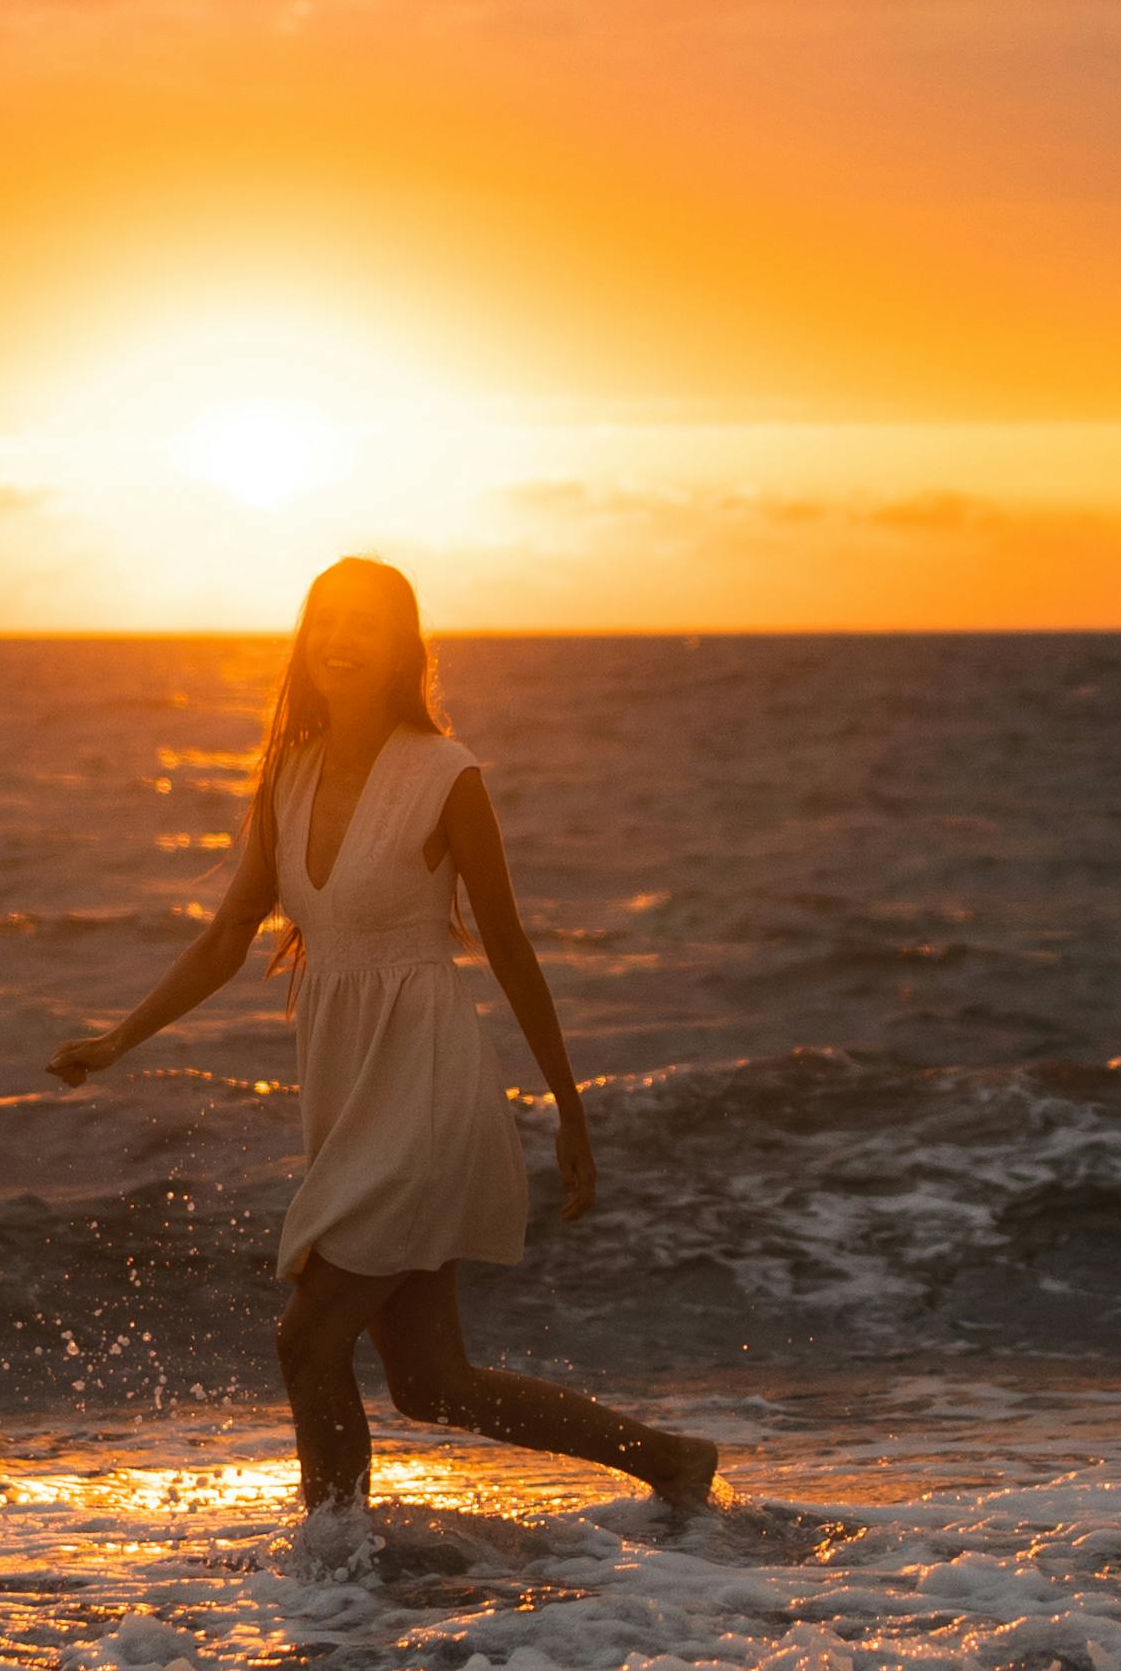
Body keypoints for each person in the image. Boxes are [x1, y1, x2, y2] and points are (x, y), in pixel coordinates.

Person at [50, 557, 721, 1515]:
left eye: (367, 622)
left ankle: (335, 1572)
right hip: (346, 1086)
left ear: (405, 645)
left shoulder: (446, 776)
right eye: (326, 619)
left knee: (309, 1340)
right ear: (304, 638)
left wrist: (570, 1110)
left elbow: (511, 948)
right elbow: (227, 935)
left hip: (424, 1081)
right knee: (433, 1383)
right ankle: (672, 1461)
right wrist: (120, 1041)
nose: (342, 638)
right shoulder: (288, 773)